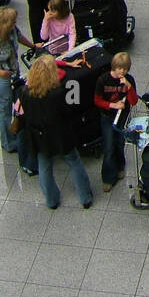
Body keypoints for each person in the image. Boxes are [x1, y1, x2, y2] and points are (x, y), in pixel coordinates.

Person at [19, 54, 94, 209]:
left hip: (39, 136)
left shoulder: (25, 92)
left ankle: (51, 201)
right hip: (61, 135)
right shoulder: (57, 94)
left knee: (44, 166)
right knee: (74, 161)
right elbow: (67, 113)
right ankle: (85, 197)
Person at [0, 7, 37, 166]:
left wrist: (33, 46)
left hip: (14, 75)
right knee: (4, 112)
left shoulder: (12, 31)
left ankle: (16, 135)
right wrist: (0, 72)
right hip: (1, 80)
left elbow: (20, 37)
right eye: (12, 22)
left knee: (18, 106)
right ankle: (8, 143)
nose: (15, 24)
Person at [94, 52, 138, 192]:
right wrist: (113, 105)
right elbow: (97, 100)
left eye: (125, 69)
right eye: (120, 68)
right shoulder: (103, 80)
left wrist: (129, 87)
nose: (122, 71)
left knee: (119, 143)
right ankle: (108, 178)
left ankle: (120, 166)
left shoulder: (128, 80)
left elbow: (134, 101)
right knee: (108, 147)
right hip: (108, 117)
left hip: (122, 117)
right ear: (114, 67)